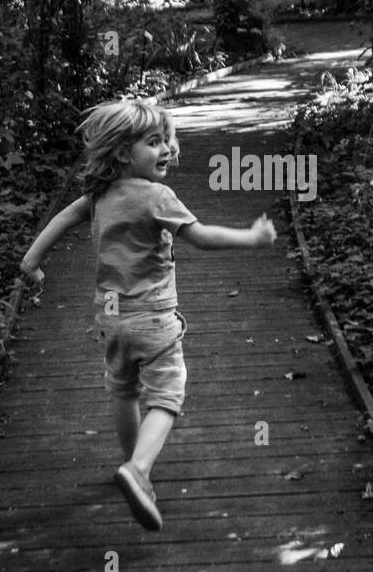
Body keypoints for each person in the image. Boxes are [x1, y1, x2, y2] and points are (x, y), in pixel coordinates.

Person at [20, 98, 276, 531]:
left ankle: (133, 466)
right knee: (167, 394)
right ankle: (139, 469)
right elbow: (200, 237)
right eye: (155, 142)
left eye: (169, 140)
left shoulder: (99, 195)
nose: (168, 150)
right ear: (123, 152)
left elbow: (61, 219)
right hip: (154, 319)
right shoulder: (157, 196)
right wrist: (251, 239)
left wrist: (31, 262)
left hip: (111, 318)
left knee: (123, 391)